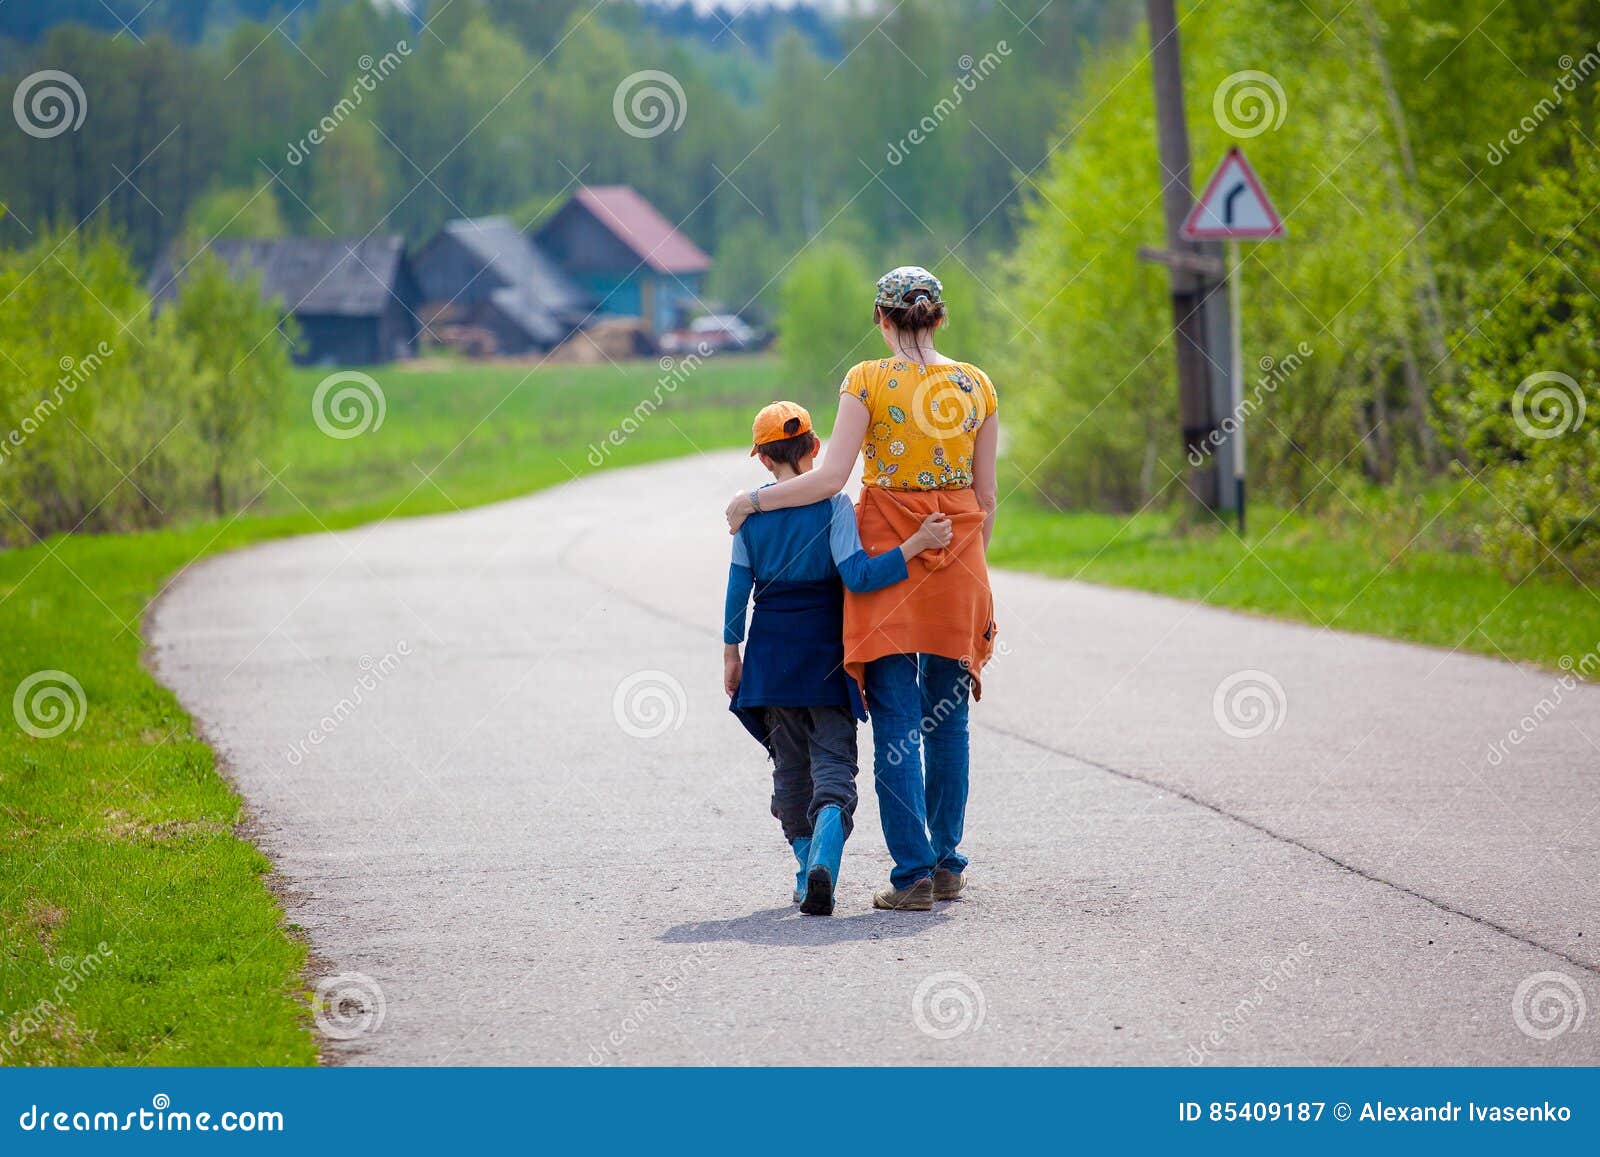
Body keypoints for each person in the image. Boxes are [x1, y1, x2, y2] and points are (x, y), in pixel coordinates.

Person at [725, 267, 998, 912]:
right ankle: (950, 861)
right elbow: (986, 497)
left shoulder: (867, 380)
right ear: (940, 319)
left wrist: (753, 500)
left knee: (899, 723)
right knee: (949, 721)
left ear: (881, 318)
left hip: (890, 552)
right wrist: (964, 567)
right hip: (957, 553)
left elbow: (830, 480)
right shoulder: (978, 385)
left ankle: (913, 876)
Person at [724, 400, 952, 916]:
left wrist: (730, 654)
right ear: (815, 449)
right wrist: (917, 542)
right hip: (827, 656)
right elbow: (859, 577)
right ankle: (827, 853)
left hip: (770, 657)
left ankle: (808, 872)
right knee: (833, 764)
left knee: (789, 768)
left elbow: (737, 591)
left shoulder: (750, 521)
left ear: (763, 460)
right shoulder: (834, 509)